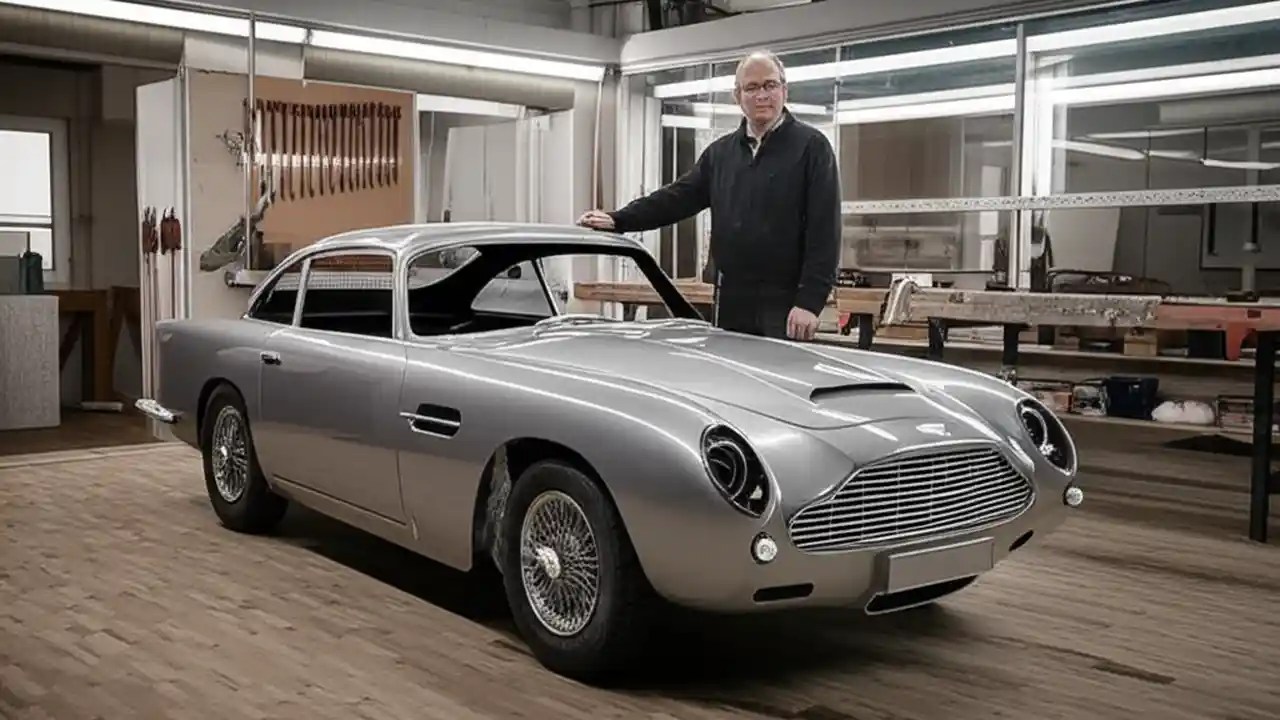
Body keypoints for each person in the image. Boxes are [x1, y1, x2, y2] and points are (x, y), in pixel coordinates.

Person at [578, 50, 842, 341]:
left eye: (770, 85)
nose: (762, 95)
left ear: (784, 90)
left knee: (782, 382)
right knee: (731, 380)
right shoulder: (721, 154)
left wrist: (809, 302)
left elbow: (825, 231)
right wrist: (619, 219)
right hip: (732, 299)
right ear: (737, 95)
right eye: (751, 87)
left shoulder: (812, 148)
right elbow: (677, 198)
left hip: (786, 302)